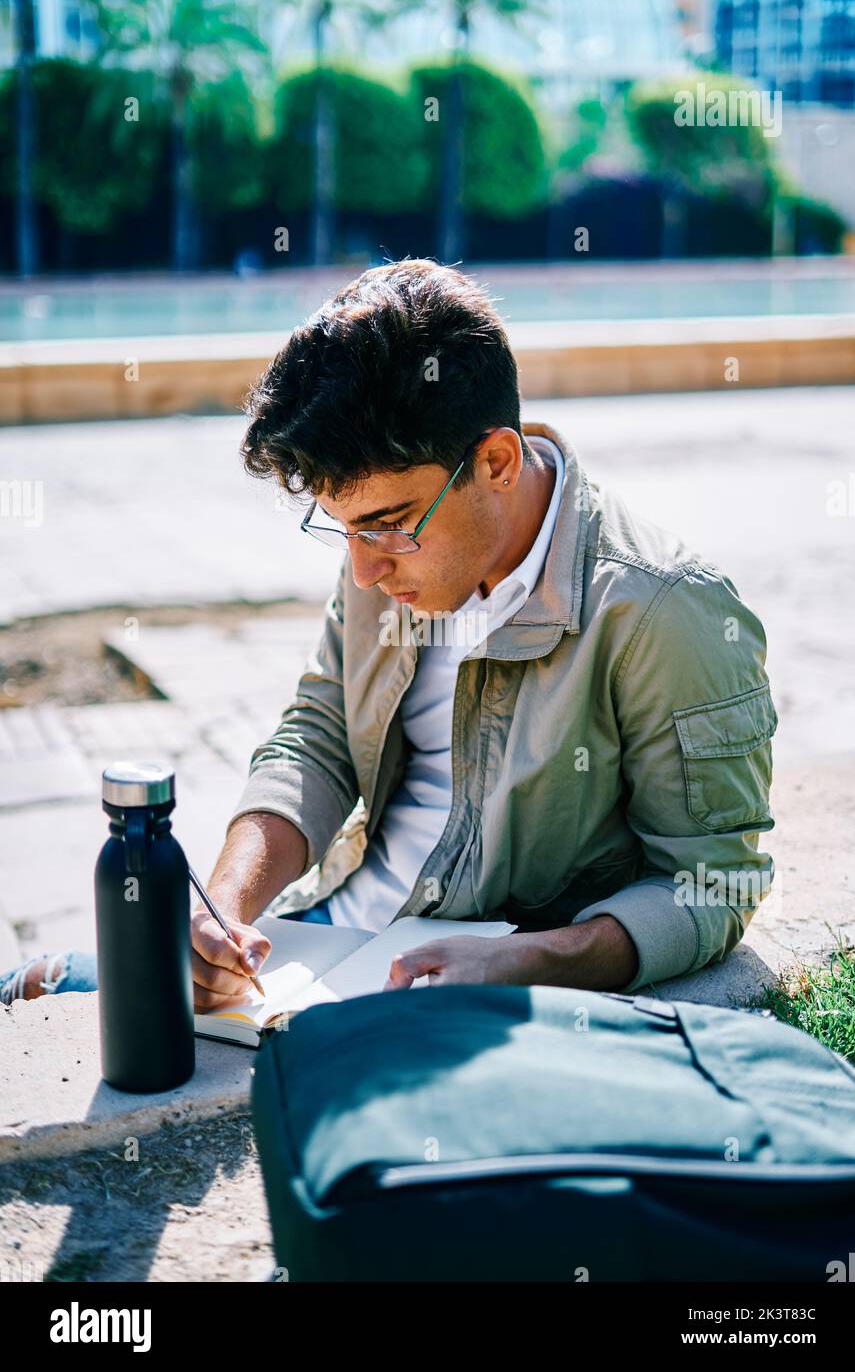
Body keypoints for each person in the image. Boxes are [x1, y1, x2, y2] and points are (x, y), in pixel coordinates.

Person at [1, 257, 778, 1015]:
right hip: (312, 949)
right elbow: (320, 735)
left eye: (387, 526)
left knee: (68, 997)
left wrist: (533, 963)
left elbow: (712, 883)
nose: (365, 572)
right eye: (342, 529)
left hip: (442, 994)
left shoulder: (666, 612)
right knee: (33, 986)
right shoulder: (387, 548)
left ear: (498, 461)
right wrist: (225, 906)